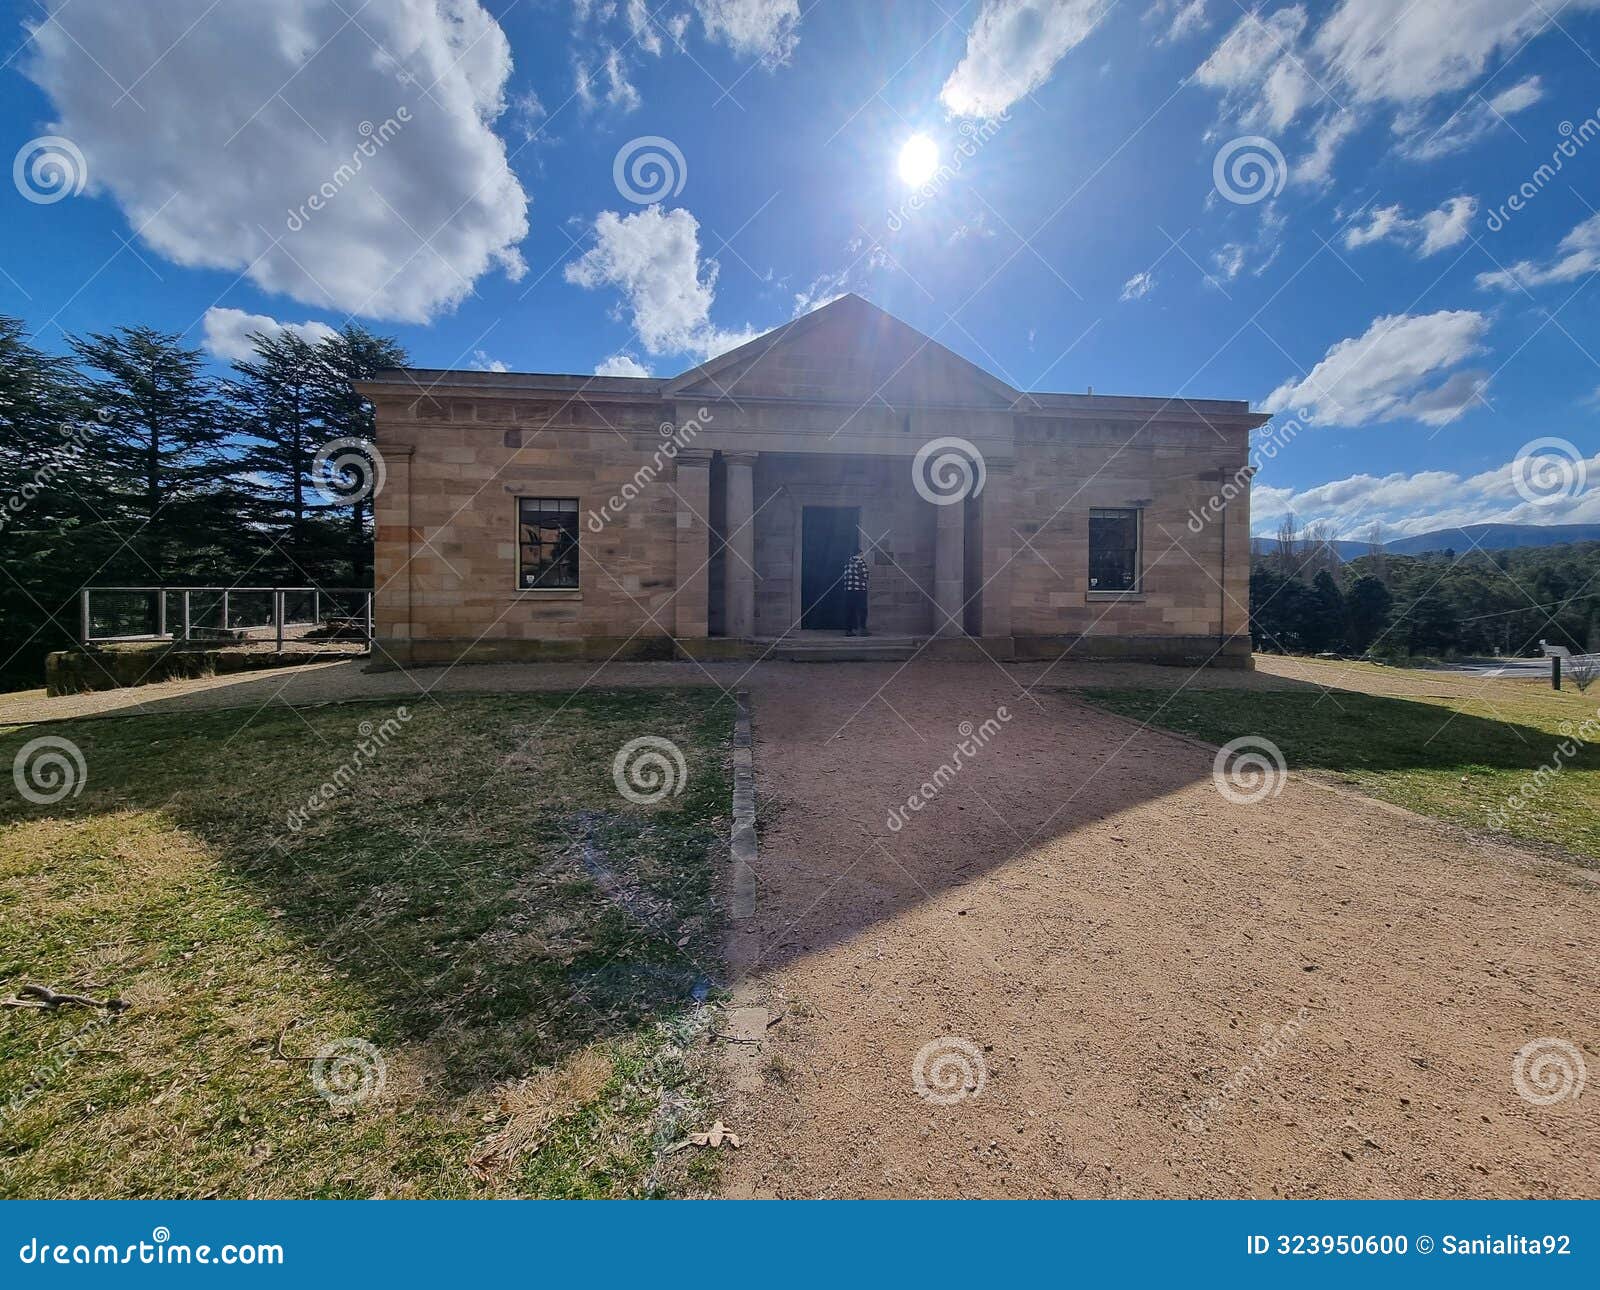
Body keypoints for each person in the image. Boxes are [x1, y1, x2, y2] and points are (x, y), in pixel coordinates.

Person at [843, 545, 870, 636]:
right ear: (859, 553)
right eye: (861, 553)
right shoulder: (861, 562)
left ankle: (848, 630)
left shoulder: (847, 562)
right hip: (860, 590)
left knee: (849, 610)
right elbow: (865, 575)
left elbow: (845, 576)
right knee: (862, 609)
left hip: (849, 590)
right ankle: (863, 630)